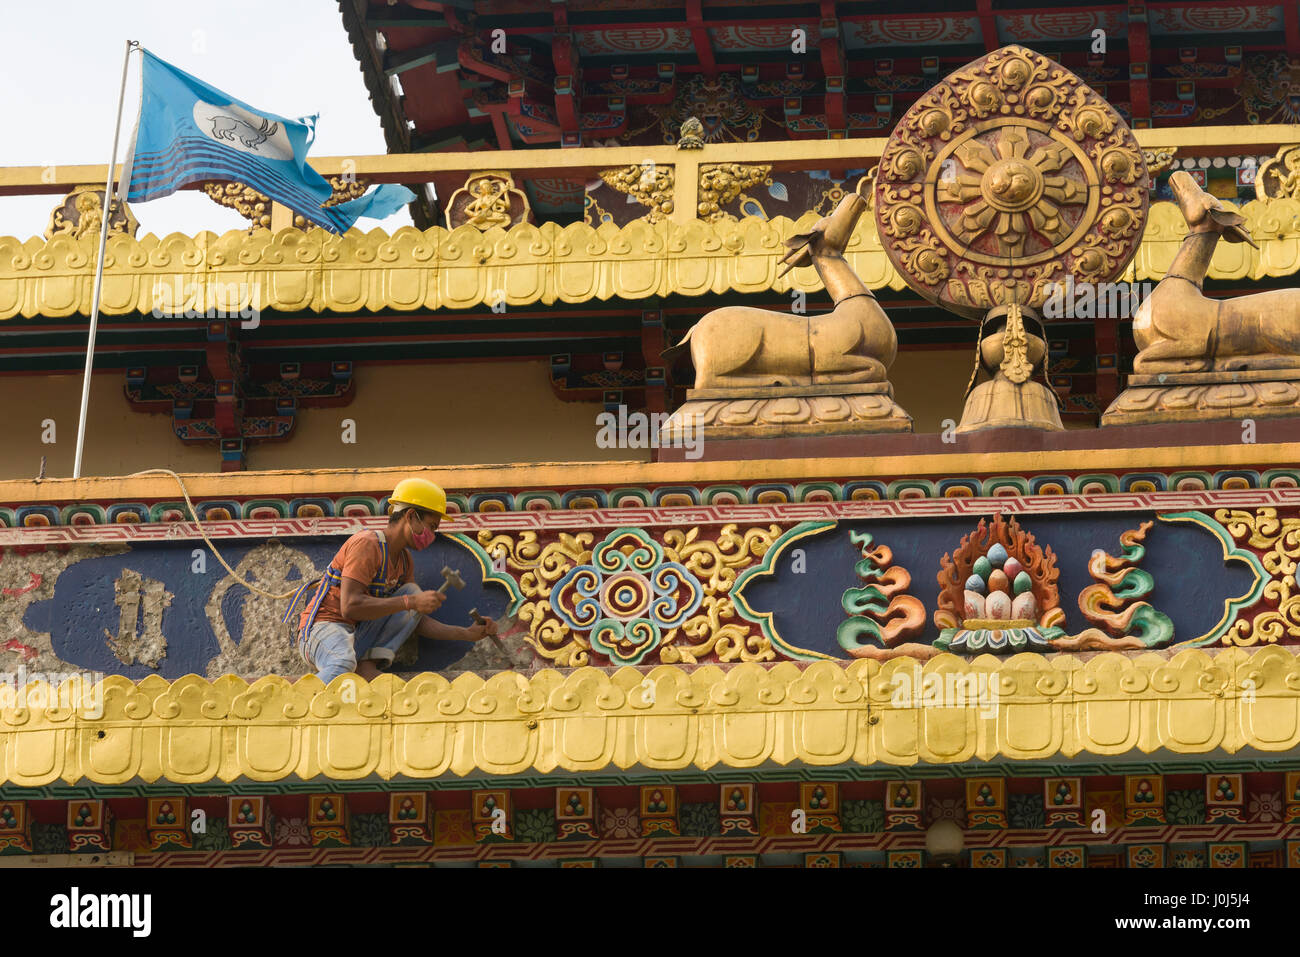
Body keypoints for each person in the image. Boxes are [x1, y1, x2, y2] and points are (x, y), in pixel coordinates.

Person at [285, 478, 497, 684]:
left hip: (356, 636)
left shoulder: (404, 562)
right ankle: (296, 710)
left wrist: (466, 633)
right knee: (341, 663)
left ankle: (366, 664)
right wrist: (410, 602)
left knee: (412, 592)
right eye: (431, 526)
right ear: (411, 516)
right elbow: (350, 607)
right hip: (322, 630)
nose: (431, 536)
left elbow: (413, 617)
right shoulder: (367, 544)